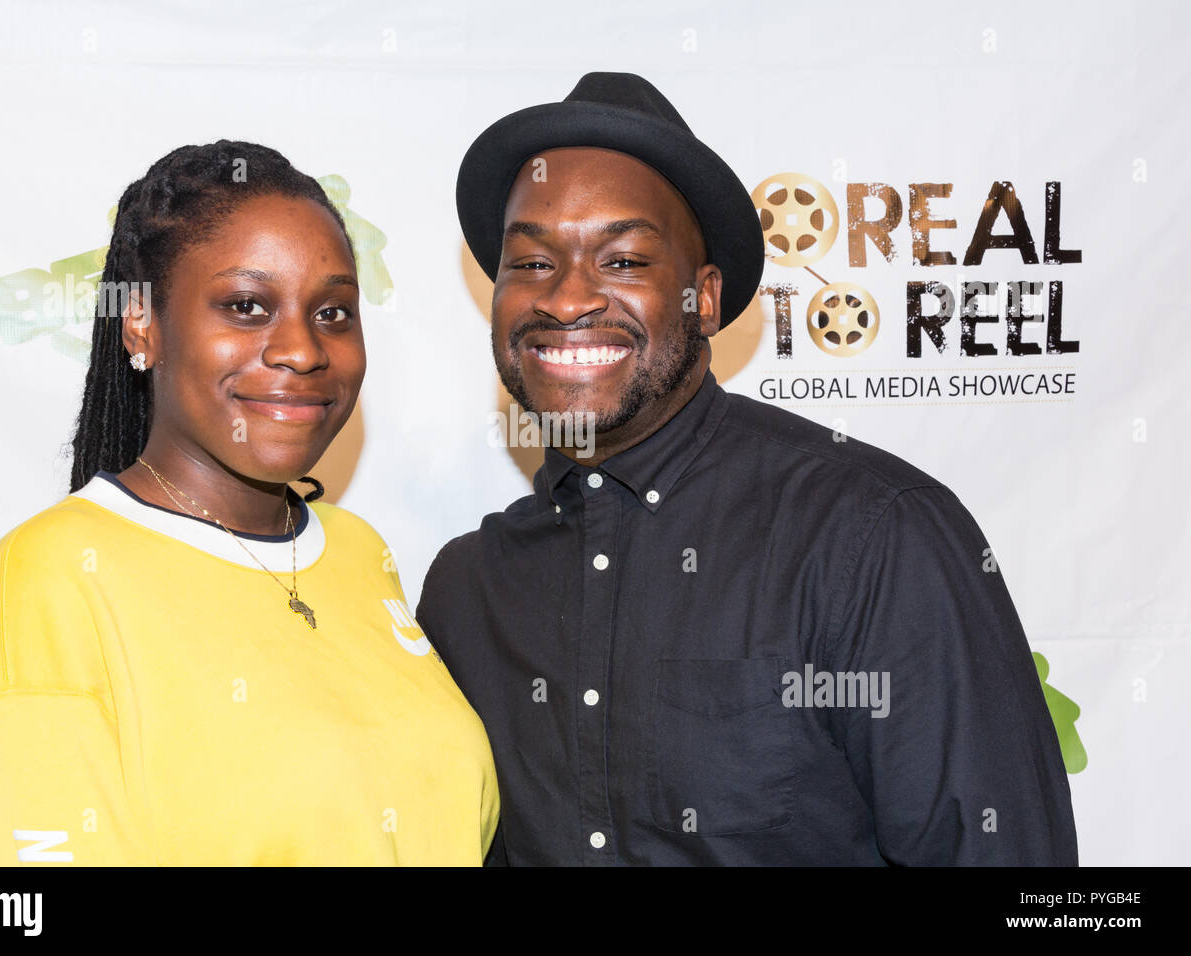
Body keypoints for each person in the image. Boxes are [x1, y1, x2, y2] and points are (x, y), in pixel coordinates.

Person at [417, 73, 1078, 865]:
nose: (566, 299)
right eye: (530, 263)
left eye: (623, 259)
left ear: (702, 298)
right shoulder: (466, 590)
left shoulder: (872, 536)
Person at [0, 141, 499, 866]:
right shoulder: (52, 573)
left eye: (333, 312)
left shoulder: (360, 551)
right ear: (141, 323)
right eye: (246, 306)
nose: (302, 349)